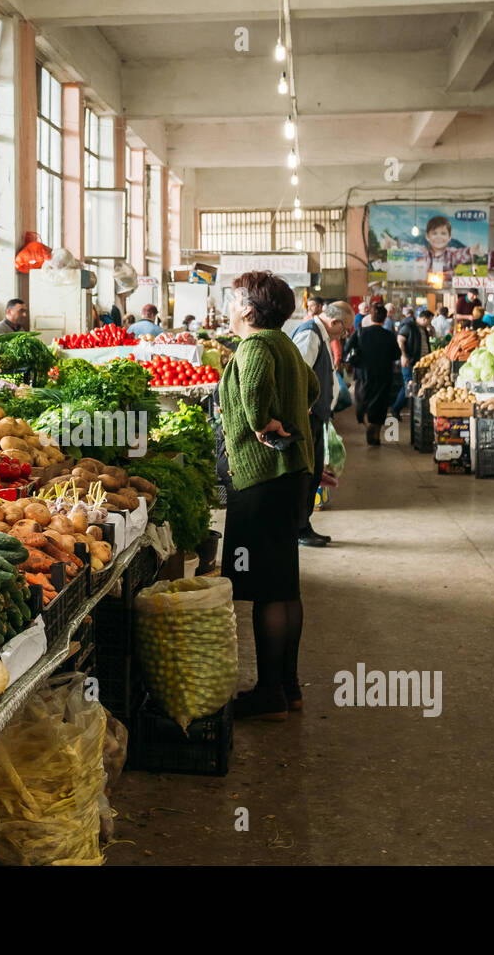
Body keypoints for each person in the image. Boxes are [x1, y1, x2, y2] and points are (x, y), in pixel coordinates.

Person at [218, 271, 317, 720]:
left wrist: (260, 424)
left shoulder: (256, 346)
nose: (229, 303)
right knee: (284, 584)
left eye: (233, 297)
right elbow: (312, 390)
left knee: (264, 590)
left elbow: (254, 391)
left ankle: (269, 695)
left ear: (248, 310)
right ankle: (290, 688)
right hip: (293, 475)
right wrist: (290, 416)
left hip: (264, 479)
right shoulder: (287, 345)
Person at [290, 300, 348, 548]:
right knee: (306, 475)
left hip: (317, 416)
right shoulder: (310, 334)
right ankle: (299, 528)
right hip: (307, 418)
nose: (345, 335)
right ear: (335, 322)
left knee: (313, 474)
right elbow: (297, 374)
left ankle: (305, 525)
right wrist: (304, 406)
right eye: (345, 329)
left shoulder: (320, 334)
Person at [343, 304, 402, 444]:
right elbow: (396, 354)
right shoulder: (388, 335)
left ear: (371, 317)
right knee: (380, 404)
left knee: (363, 402)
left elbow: (347, 348)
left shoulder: (360, 332)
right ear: (384, 318)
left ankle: (368, 425)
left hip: (363, 374)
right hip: (383, 374)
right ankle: (375, 431)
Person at [391, 308, 432, 417]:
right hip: (410, 362)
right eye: (429, 321)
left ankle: (404, 409)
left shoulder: (423, 329)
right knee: (409, 386)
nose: (430, 324)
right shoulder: (409, 326)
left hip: (420, 363)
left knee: (410, 386)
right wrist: (403, 356)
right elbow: (400, 340)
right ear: (424, 319)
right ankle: (396, 409)